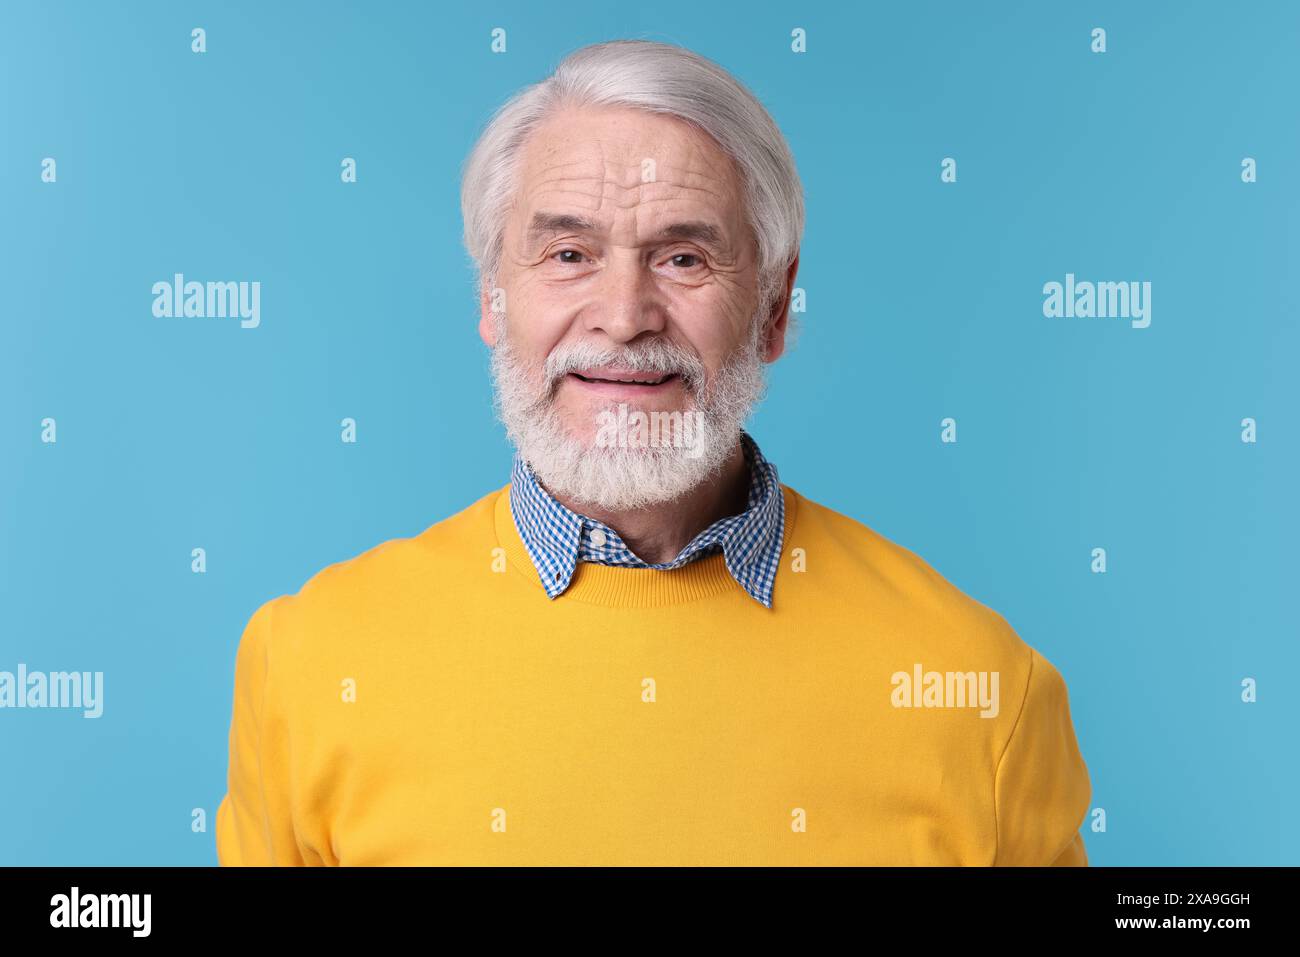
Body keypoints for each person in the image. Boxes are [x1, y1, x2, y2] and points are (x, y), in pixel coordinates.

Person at [216, 38, 1091, 866]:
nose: (623, 313)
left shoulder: (977, 685)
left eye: (682, 257)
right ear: (493, 298)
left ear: (775, 309)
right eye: (568, 253)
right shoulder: (311, 664)